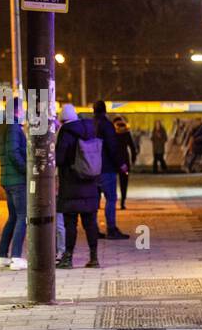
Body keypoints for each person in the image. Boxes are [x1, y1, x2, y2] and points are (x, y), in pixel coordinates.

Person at [55, 103, 102, 268]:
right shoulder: (90, 130)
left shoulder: (65, 133)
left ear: (62, 119)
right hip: (90, 183)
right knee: (90, 223)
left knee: (70, 224)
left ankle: (68, 258)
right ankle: (94, 257)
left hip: (71, 185)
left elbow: (59, 159)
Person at [0, 97, 28, 270]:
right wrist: (26, 170)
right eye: (22, 109)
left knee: (13, 217)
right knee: (23, 216)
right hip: (17, 180)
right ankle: (16, 257)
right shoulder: (14, 127)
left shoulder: (2, 127)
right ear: (17, 111)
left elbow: (1, 154)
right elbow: (14, 152)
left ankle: (2, 256)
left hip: (7, 179)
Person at [92, 101, 128, 239]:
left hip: (92, 169)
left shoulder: (91, 125)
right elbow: (112, 147)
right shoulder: (107, 126)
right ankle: (111, 229)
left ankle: (93, 229)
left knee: (95, 201)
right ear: (105, 110)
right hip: (106, 168)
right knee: (111, 198)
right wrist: (120, 164)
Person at [113, 116, 139, 209]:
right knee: (124, 182)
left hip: (113, 161)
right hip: (124, 162)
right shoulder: (127, 133)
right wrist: (133, 159)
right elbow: (132, 147)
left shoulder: (112, 132)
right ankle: (122, 202)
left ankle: (111, 201)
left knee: (112, 182)